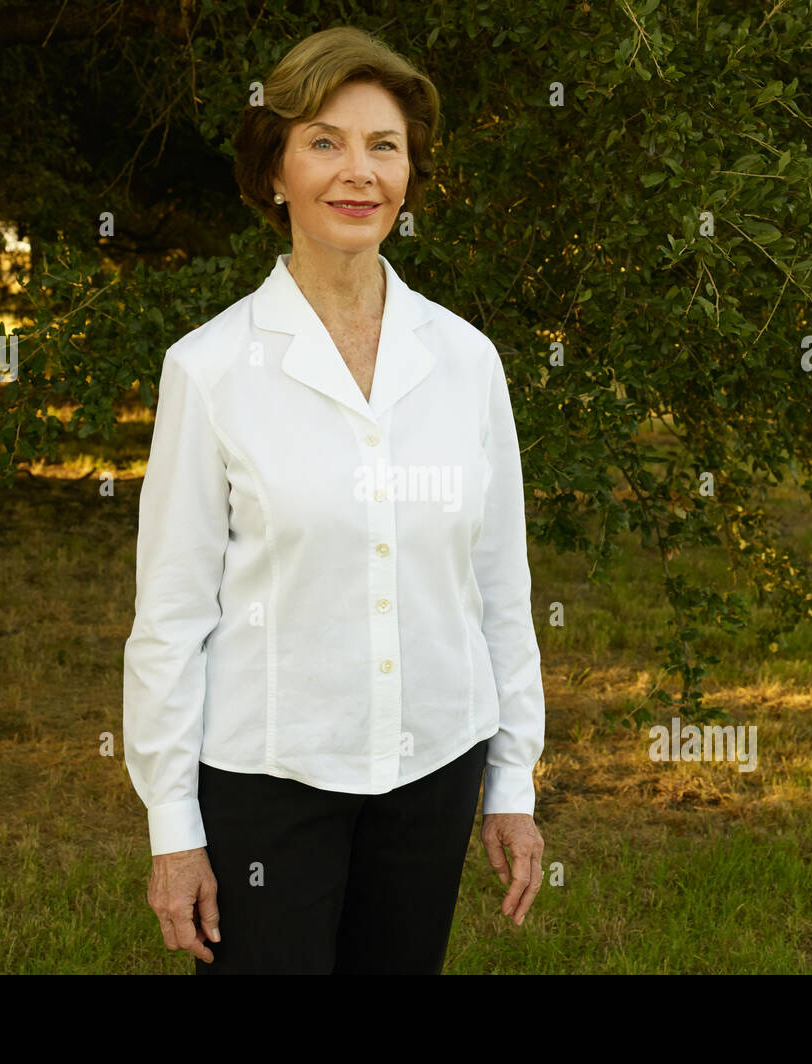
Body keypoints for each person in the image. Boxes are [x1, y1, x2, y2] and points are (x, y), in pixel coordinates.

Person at [123, 24, 545, 975]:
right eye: (324, 142)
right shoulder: (210, 368)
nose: (358, 173)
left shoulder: (467, 362)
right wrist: (172, 829)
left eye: (383, 147)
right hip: (269, 783)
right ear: (274, 172)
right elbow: (171, 618)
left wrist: (512, 777)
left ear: (408, 178)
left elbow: (499, 586)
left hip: (434, 769)